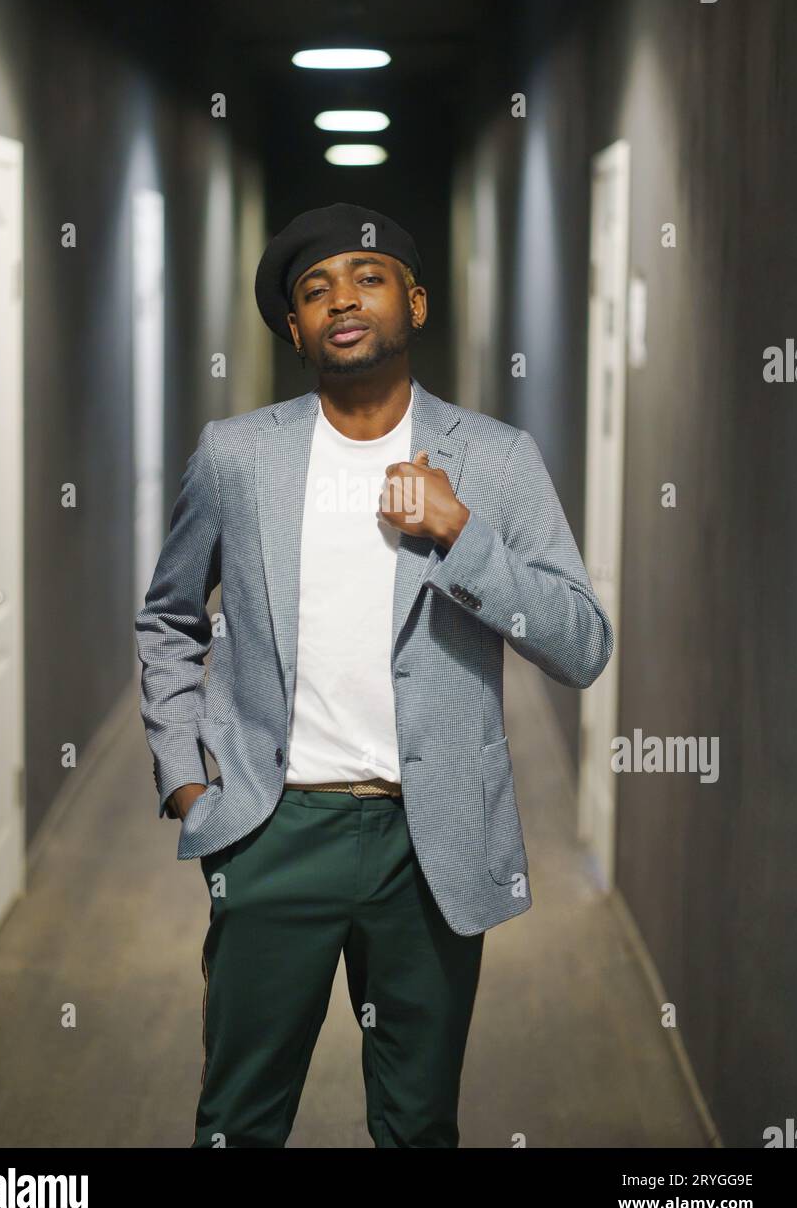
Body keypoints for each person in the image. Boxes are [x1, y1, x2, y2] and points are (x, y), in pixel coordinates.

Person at [134, 201, 613, 1148]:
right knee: (237, 1118)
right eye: (314, 291)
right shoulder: (237, 456)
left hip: (426, 846)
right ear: (294, 328)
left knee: (417, 1124)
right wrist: (188, 781)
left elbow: (582, 645)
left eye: (366, 277)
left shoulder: (497, 460)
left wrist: (462, 534)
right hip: (273, 832)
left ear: (416, 303)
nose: (340, 300)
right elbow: (168, 618)